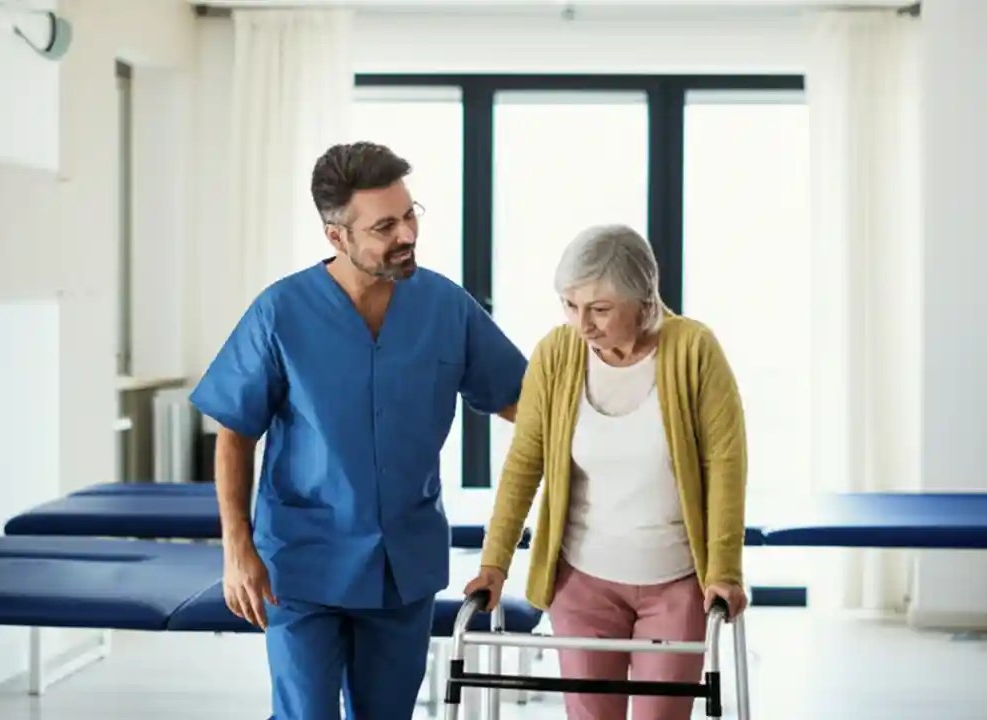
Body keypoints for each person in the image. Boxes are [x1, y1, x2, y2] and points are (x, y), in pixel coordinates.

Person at [189, 141, 527, 720]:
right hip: (301, 560)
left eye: (410, 213)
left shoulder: (446, 307)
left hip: (405, 562)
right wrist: (236, 546)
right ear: (337, 237)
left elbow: (524, 402)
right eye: (385, 225)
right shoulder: (281, 312)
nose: (407, 234)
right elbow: (235, 431)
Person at [464, 223, 749, 720]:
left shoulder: (694, 351)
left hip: (675, 580)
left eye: (599, 309)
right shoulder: (556, 354)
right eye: (570, 306)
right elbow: (522, 465)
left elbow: (726, 464)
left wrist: (724, 570)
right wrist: (495, 563)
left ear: (644, 301)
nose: (583, 324)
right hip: (582, 580)